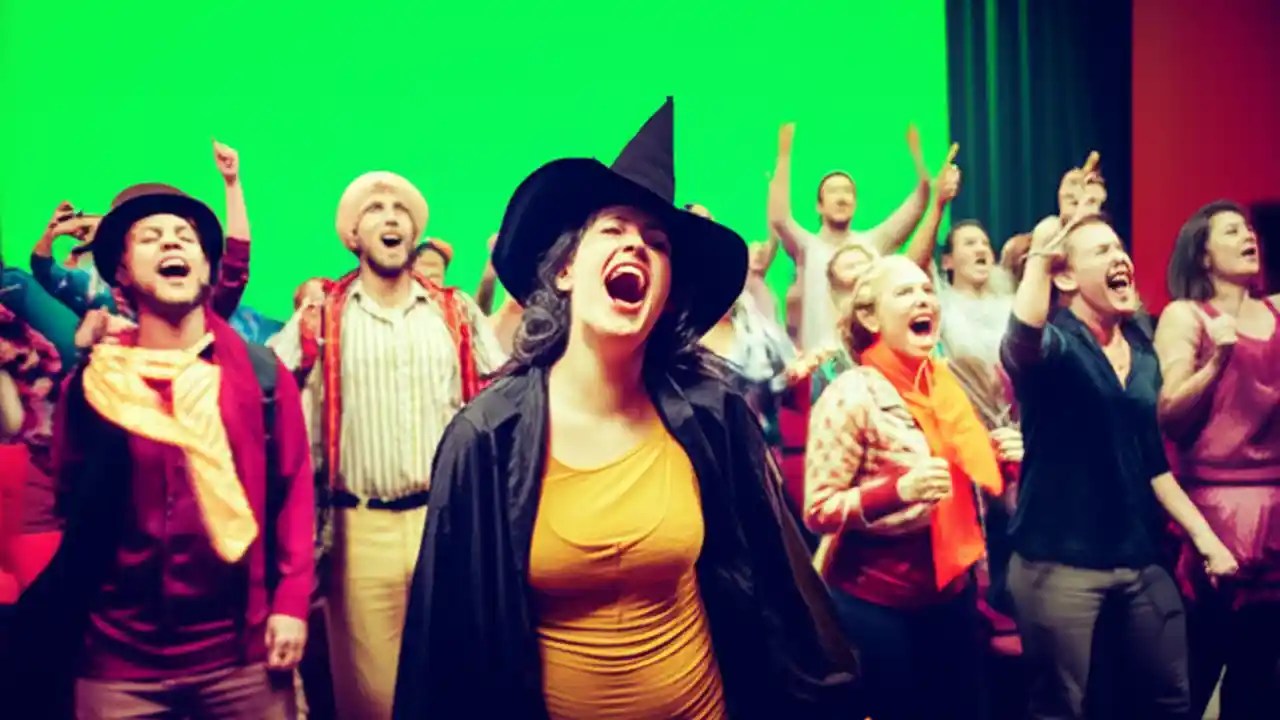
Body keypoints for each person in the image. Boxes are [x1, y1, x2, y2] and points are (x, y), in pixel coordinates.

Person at [393, 98, 857, 719]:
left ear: (666, 294)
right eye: (613, 230)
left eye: (657, 243)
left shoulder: (712, 418)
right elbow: (444, 649)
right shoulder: (487, 437)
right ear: (563, 271)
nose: (636, 247)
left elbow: (780, 587)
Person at [6, 186, 315, 719]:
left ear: (206, 265)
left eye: (185, 237)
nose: (171, 243)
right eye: (150, 237)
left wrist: (290, 606)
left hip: (241, 659)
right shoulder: (93, 386)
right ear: (120, 272)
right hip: (118, 665)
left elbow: (294, 495)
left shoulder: (263, 377)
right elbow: (67, 500)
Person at [270, 170, 503, 720]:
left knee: (456, 687)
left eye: (400, 208)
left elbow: (504, 398)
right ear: (353, 236)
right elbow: (267, 387)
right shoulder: (321, 313)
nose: (391, 216)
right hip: (358, 533)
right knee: (373, 701)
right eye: (375, 209)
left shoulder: (457, 311)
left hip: (446, 526)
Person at [1001, 211, 1238, 718]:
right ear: (1066, 277)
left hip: (1138, 557)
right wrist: (1041, 257)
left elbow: (1152, 463)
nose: (1120, 257)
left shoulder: (1142, 348)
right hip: (1058, 562)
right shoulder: (1056, 344)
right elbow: (1020, 341)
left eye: (1119, 247)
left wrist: (1208, 541)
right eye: (1101, 252)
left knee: (1170, 699)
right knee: (1062, 707)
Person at [805, 253, 1020, 720]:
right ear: (869, 315)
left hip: (951, 592)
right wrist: (896, 490)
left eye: (927, 290)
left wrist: (1005, 459)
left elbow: (973, 486)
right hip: (877, 605)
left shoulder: (944, 385)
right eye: (905, 292)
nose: (923, 298)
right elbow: (818, 509)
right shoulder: (851, 394)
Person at [1154, 200, 1280, 719]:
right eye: (1231, 231)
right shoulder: (1186, 315)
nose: (1248, 235)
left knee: (1259, 678)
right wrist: (1219, 358)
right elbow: (1170, 414)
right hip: (1214, 511)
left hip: (1274, 511)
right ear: (1203, 256)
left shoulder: (1276, 310)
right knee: (1196, 671)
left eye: (1249, 228)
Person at [767, 122, 929, 350]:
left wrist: (919, 159)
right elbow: (779, 217)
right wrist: (783, 155)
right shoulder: (807, 247)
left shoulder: (873, 243)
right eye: (833, 191)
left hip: (870, 360)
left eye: (848, 192)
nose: (842, 197)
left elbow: (918, 203)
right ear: (819, 206)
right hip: (821, 364)